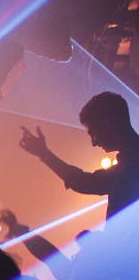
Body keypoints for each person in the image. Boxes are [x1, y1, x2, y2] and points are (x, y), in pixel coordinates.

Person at [19, 91, 139, 221]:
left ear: (108, 123)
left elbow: (86, 183)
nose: (94, 142)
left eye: (94, 133)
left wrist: (44, 154)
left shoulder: (131, 165)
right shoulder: (129, 163)